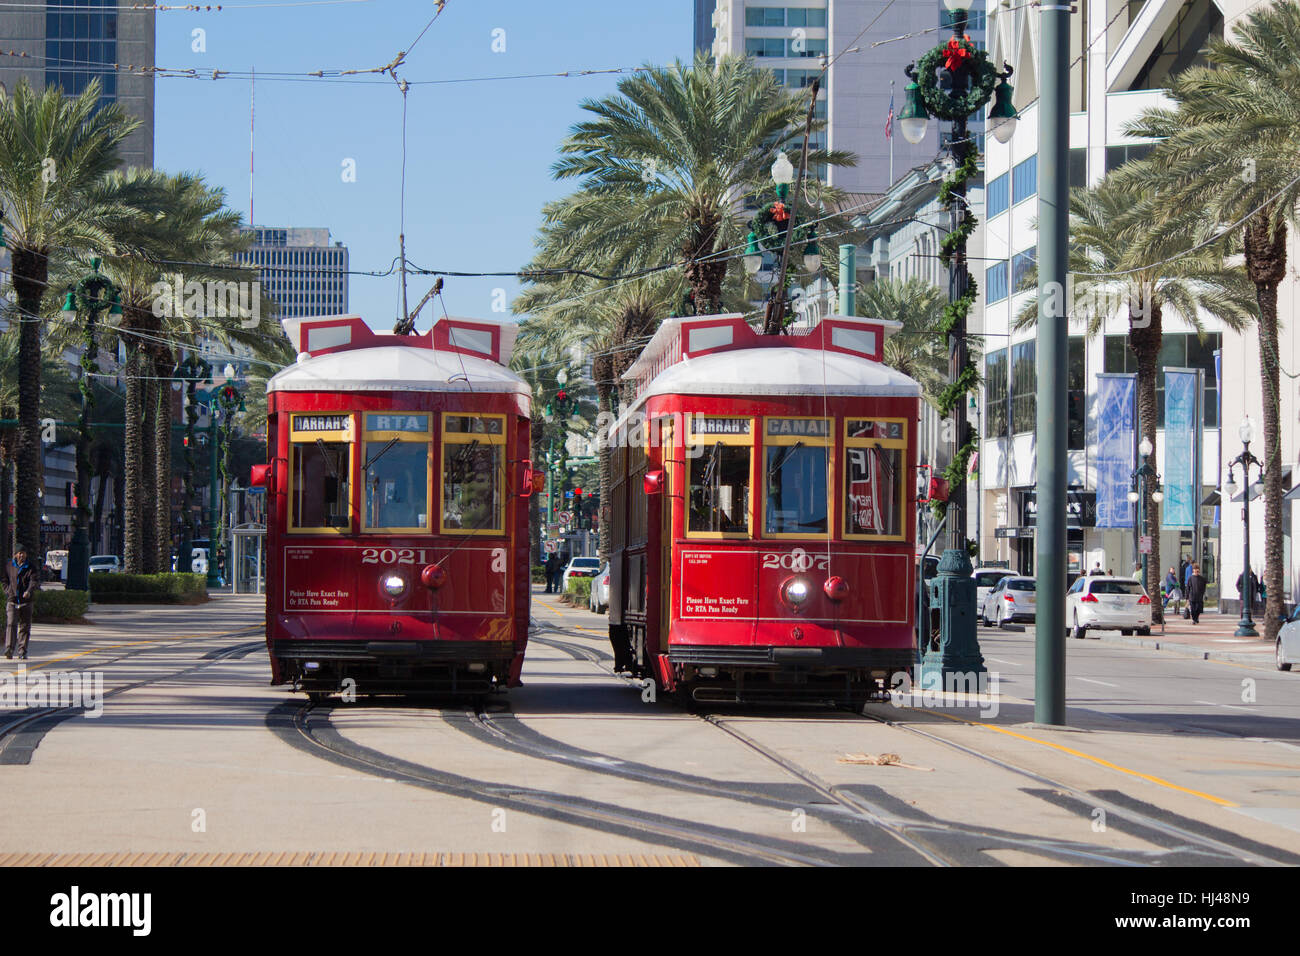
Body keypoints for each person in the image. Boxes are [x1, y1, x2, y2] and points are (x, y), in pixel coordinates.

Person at [4, 548, 36, 660]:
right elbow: (5, 580)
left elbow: (34, 581)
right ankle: (9, 648)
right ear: (16, 554)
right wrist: (8, 591)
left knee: (24, 626)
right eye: (19, 553)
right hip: (12, 600)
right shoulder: (9, 566)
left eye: (23, 553)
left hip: (26, 602)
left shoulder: (31, 567)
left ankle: (22, 651)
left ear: (26, 554)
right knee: (11, 624)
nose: (21, 555)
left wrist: (28, 591)